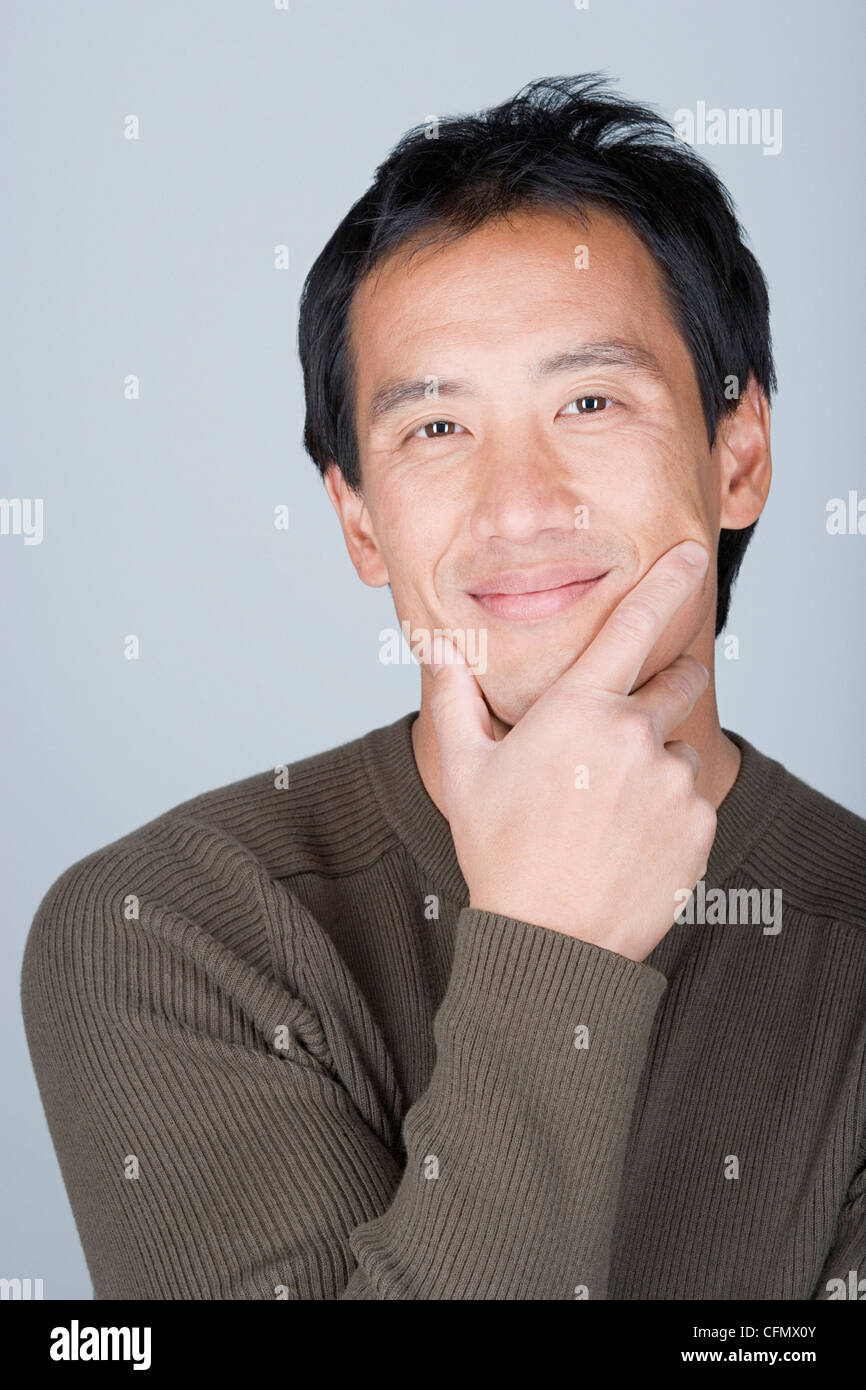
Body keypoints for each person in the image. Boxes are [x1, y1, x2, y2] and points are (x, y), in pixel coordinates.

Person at [21, 74, 866, 1300]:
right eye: (434, 430)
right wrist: (551, 942)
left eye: (589, 400)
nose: (519, 505)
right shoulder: (162, 929)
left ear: (738, 457)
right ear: (359, 522)